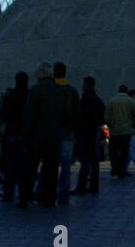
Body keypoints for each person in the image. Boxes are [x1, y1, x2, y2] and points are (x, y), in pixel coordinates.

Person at [22, 63, 76, 206]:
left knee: (31, 168)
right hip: (56, 136)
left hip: (37, 136)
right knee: (51, 168)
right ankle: (50, 198)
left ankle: (26, 196)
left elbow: (29, 115)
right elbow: (68, 114)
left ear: (41, 73)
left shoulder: (35, 90)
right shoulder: (61, 91)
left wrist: (26, 134)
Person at [0, 72, 30, 203]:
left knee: (9, 165)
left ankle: (8, 194)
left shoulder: (9, 96)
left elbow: (4, 115)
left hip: (11, 133)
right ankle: (23, 195)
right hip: (25, 134)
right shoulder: (30, 96)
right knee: (25, 167)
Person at [51, 62, 81, 202]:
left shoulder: (49, 90)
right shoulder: (71, 90)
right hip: (68, 132)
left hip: (51, 132)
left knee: (50, 164)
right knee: (66, 165)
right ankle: (63, 194)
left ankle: (48, 192)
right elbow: (77, 112)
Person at [74, 76, 105, 194]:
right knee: (94, 161)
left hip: (85, 133)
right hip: (94, 132)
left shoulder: (85, 99)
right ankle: (94, 186)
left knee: (85, 161)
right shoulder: (98, 100)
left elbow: (78, 115)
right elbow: (103, 117)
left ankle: (81, 186)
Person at [105, 85, 135, 178]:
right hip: (126, 131)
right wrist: (131, 124)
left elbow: (106, 116)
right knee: (124, 152)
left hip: (114, 131)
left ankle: (115, 168)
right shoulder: (131, 101)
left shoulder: (111, 101)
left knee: (113, 151)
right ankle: (122, 170)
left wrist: (110, 125)